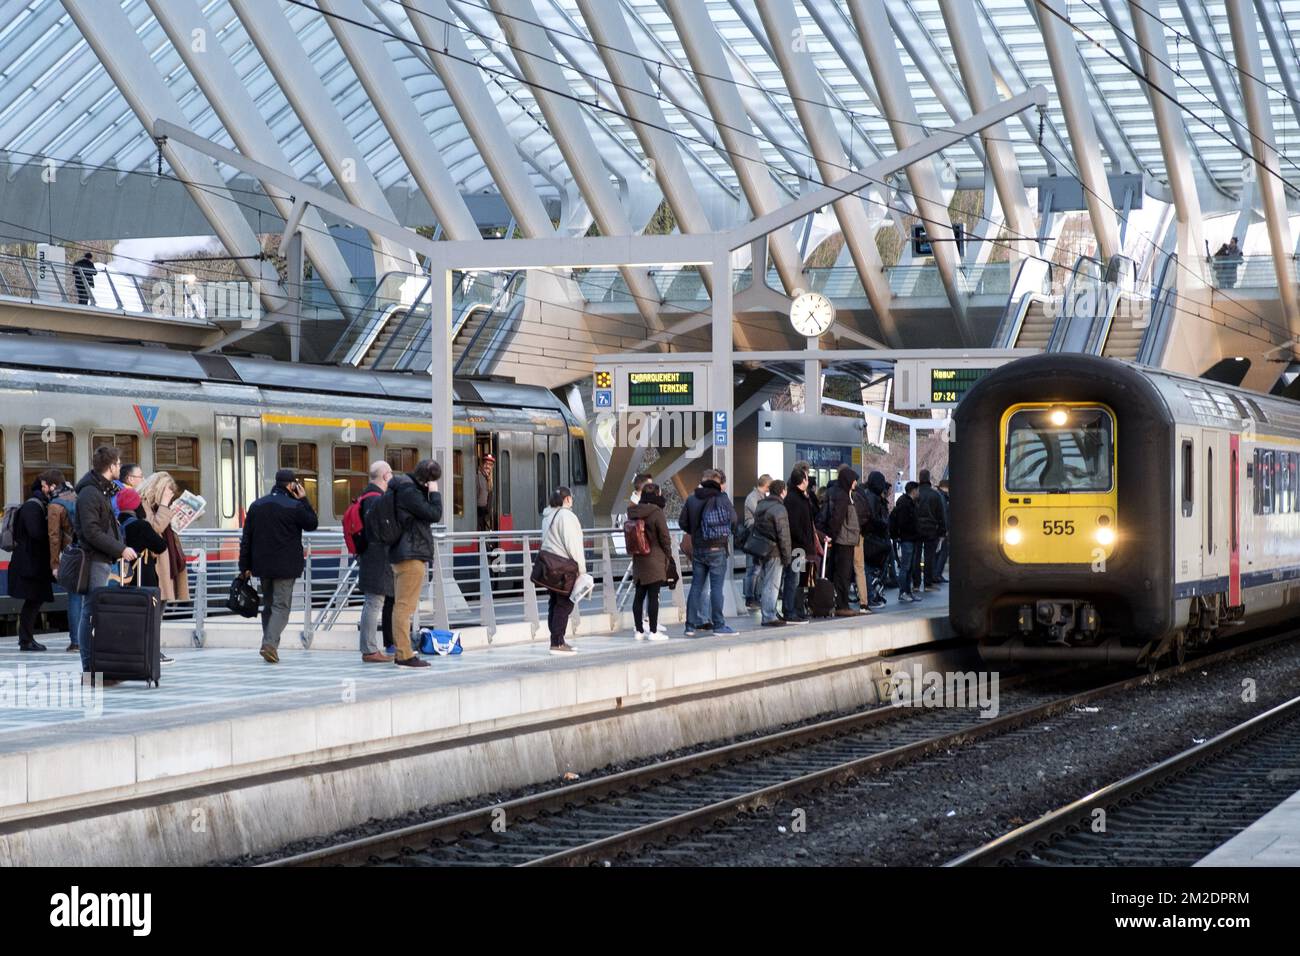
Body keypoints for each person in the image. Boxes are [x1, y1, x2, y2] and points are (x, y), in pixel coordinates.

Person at [238, 468, 319, 664]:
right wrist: (304, 500)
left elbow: (246, 538)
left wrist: (244, 566)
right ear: (292, 485)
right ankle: (270, 644)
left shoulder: (257, 505)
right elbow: (312, 524)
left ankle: (270, 644)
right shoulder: (295, 506)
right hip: (285, 566)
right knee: (281, 606)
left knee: (269, 605)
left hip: (262, 565)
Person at [75, 446, 138, 676]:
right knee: (90, 611)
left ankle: (94, 663)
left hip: (102, 558)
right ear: (111, 466)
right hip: (94, 560)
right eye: (118, 464)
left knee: (93, 610)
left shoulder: (99, 490)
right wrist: (121, 548)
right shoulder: (90, 493)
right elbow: (92, 531)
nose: (120, 467)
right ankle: (89, 666)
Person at [388, 460, 443, 669]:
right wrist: (435, 493)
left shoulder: (403, 486)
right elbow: (434, 514)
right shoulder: (409, 491)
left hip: (403, 553)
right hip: (410, 555)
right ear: (428, 480)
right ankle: (404, 654)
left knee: (401, 606)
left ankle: (402, 650)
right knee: (404, 607)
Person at [113, 487, 176, 667]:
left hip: (123, 578)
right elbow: (160, 546)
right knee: (149, 617)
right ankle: (152, 653)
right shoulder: (140, 525)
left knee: (128, 617)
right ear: (136, 505)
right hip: (144, 577)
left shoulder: (116, 523)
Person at [678, 468, 738, 638]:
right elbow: (733, 519)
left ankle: (690, 626)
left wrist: (696, 532)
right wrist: (726, 533)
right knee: (716, 588)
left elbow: (683, 523)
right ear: (717, 482)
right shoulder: (721, 498)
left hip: (699, 549)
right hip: (717, 548)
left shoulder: (692, 498)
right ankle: (719, 625)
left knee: (696, 586)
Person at [8, 470, 64, 651]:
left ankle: (27, 638)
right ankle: (25, 640)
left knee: (34, 601)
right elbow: (36, 533)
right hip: (29, 564)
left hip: (32, 562)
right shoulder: (33, 506)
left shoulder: (39, 504)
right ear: (44, 486)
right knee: (33, 601)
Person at [357, 461, 395, 663]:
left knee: (372, 602)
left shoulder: (366, 496)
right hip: (377, 558)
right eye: (391, 474)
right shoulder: (375, 500)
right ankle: (370, 650)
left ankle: (369, 648)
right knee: (374, 603)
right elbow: (382, 531)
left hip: (370, 556)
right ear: (386, 476)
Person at [540, 486, 586, 654]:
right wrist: (581, 569)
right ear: (567, 499)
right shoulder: (567, 516)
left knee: (554, 602)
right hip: (564, 567)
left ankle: (555, 640)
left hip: (549, 566)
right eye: (571, 498)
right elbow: (573, 545)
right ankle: (558, 642)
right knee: (565, 604)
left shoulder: (547, 515)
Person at [627, 481, 671, 642]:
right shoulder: (656, 512)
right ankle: (653, 631)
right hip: (655, 558)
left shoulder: (633, 511)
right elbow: (665, 537)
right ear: (656, 495)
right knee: (654, 596)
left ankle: (639, 630)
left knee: (639, 595)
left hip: (639, 558)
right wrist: (668, 554)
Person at [46, 479, 81, 652]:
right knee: (88, 598)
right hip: (90, 553)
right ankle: (89, 638)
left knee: (74, 597)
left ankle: (76, 642)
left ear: (53, 486)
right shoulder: (78, 497)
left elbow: (54, 537)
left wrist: (55, 564)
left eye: (46, 485)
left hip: (71, 556)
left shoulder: (55, 506)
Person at [752, 479, 792, 627]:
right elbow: (784, 535)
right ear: (782, 491)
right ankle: (769, 616)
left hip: (761, 549)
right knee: (772, 584)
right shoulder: (780, 509)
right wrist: (787, 557)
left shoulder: (761, 505)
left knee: (766, 582)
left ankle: (770, 612)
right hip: (774, 550)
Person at [824, 467, 862, 618]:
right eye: (854, 480)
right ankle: (842, 605)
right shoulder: (843, 497)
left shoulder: (841, 494)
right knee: (843, 574)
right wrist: (832, 535)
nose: (855, 483)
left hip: (843, 539)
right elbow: (837, 518)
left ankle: (841, 603)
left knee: (841, 573)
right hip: (843, 539)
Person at [782, 468, 816, 624]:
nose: (808, 481)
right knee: (793, 579)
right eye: (807, 478)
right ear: (803, 481)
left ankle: (798, 610)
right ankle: (790, 611)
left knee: (799, 579)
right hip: (797, 547)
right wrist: (804, 540)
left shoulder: (800, 497)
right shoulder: (794, 499)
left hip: (800, 546)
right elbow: (795, 525)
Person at [861, 471, 892, 608]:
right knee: (870, 570)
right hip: (874, 539)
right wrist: (883, 525)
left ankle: (871, 595)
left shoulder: (867, 496)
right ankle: (871, 596)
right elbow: (874, 519)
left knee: (869, 569)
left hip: (870, 538)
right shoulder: (873, 499)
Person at [742, 474, 772, 610]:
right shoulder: (753, 498)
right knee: (753, 570)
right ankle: (750, 598)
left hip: (759, 536)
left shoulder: (760, 497)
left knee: (758, 569)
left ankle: (755, 596)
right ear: (766, 485)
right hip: (754, 537)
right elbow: (759, 515)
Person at [890, 482, 922, 603]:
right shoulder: (906, 504)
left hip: (910, 538)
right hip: (908, 539)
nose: (919, 493)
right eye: (917, 491)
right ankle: (903, 592)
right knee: (906, 567)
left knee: (909, 567)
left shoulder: (907, 502)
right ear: (913, 491)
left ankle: (907, 591)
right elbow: (904, 522)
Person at [916, 469, 947, 591]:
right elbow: (941, 514)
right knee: (929, 557)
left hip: (916, 529)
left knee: (916, 556)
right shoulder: (935, 495)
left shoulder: (916, 493)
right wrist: (942, 531)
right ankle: (928, 583)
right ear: (929, 478)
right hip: (931, 530)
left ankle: (916, 583)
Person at [933, 479, 951, 584]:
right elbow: (944, 514)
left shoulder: (940, 496)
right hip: (942, 529)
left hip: (939, 528)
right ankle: (937, 574)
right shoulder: (943, 498)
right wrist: (945, 529)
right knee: (943, 552)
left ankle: (936, 574)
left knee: (939, 552)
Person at [476, 453, 495, 532]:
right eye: (486, 463)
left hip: (485, 517)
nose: (488, 466)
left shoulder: (489, 480)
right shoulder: (478, 477)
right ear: (482, 464)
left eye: (490, 464)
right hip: (479, 516)